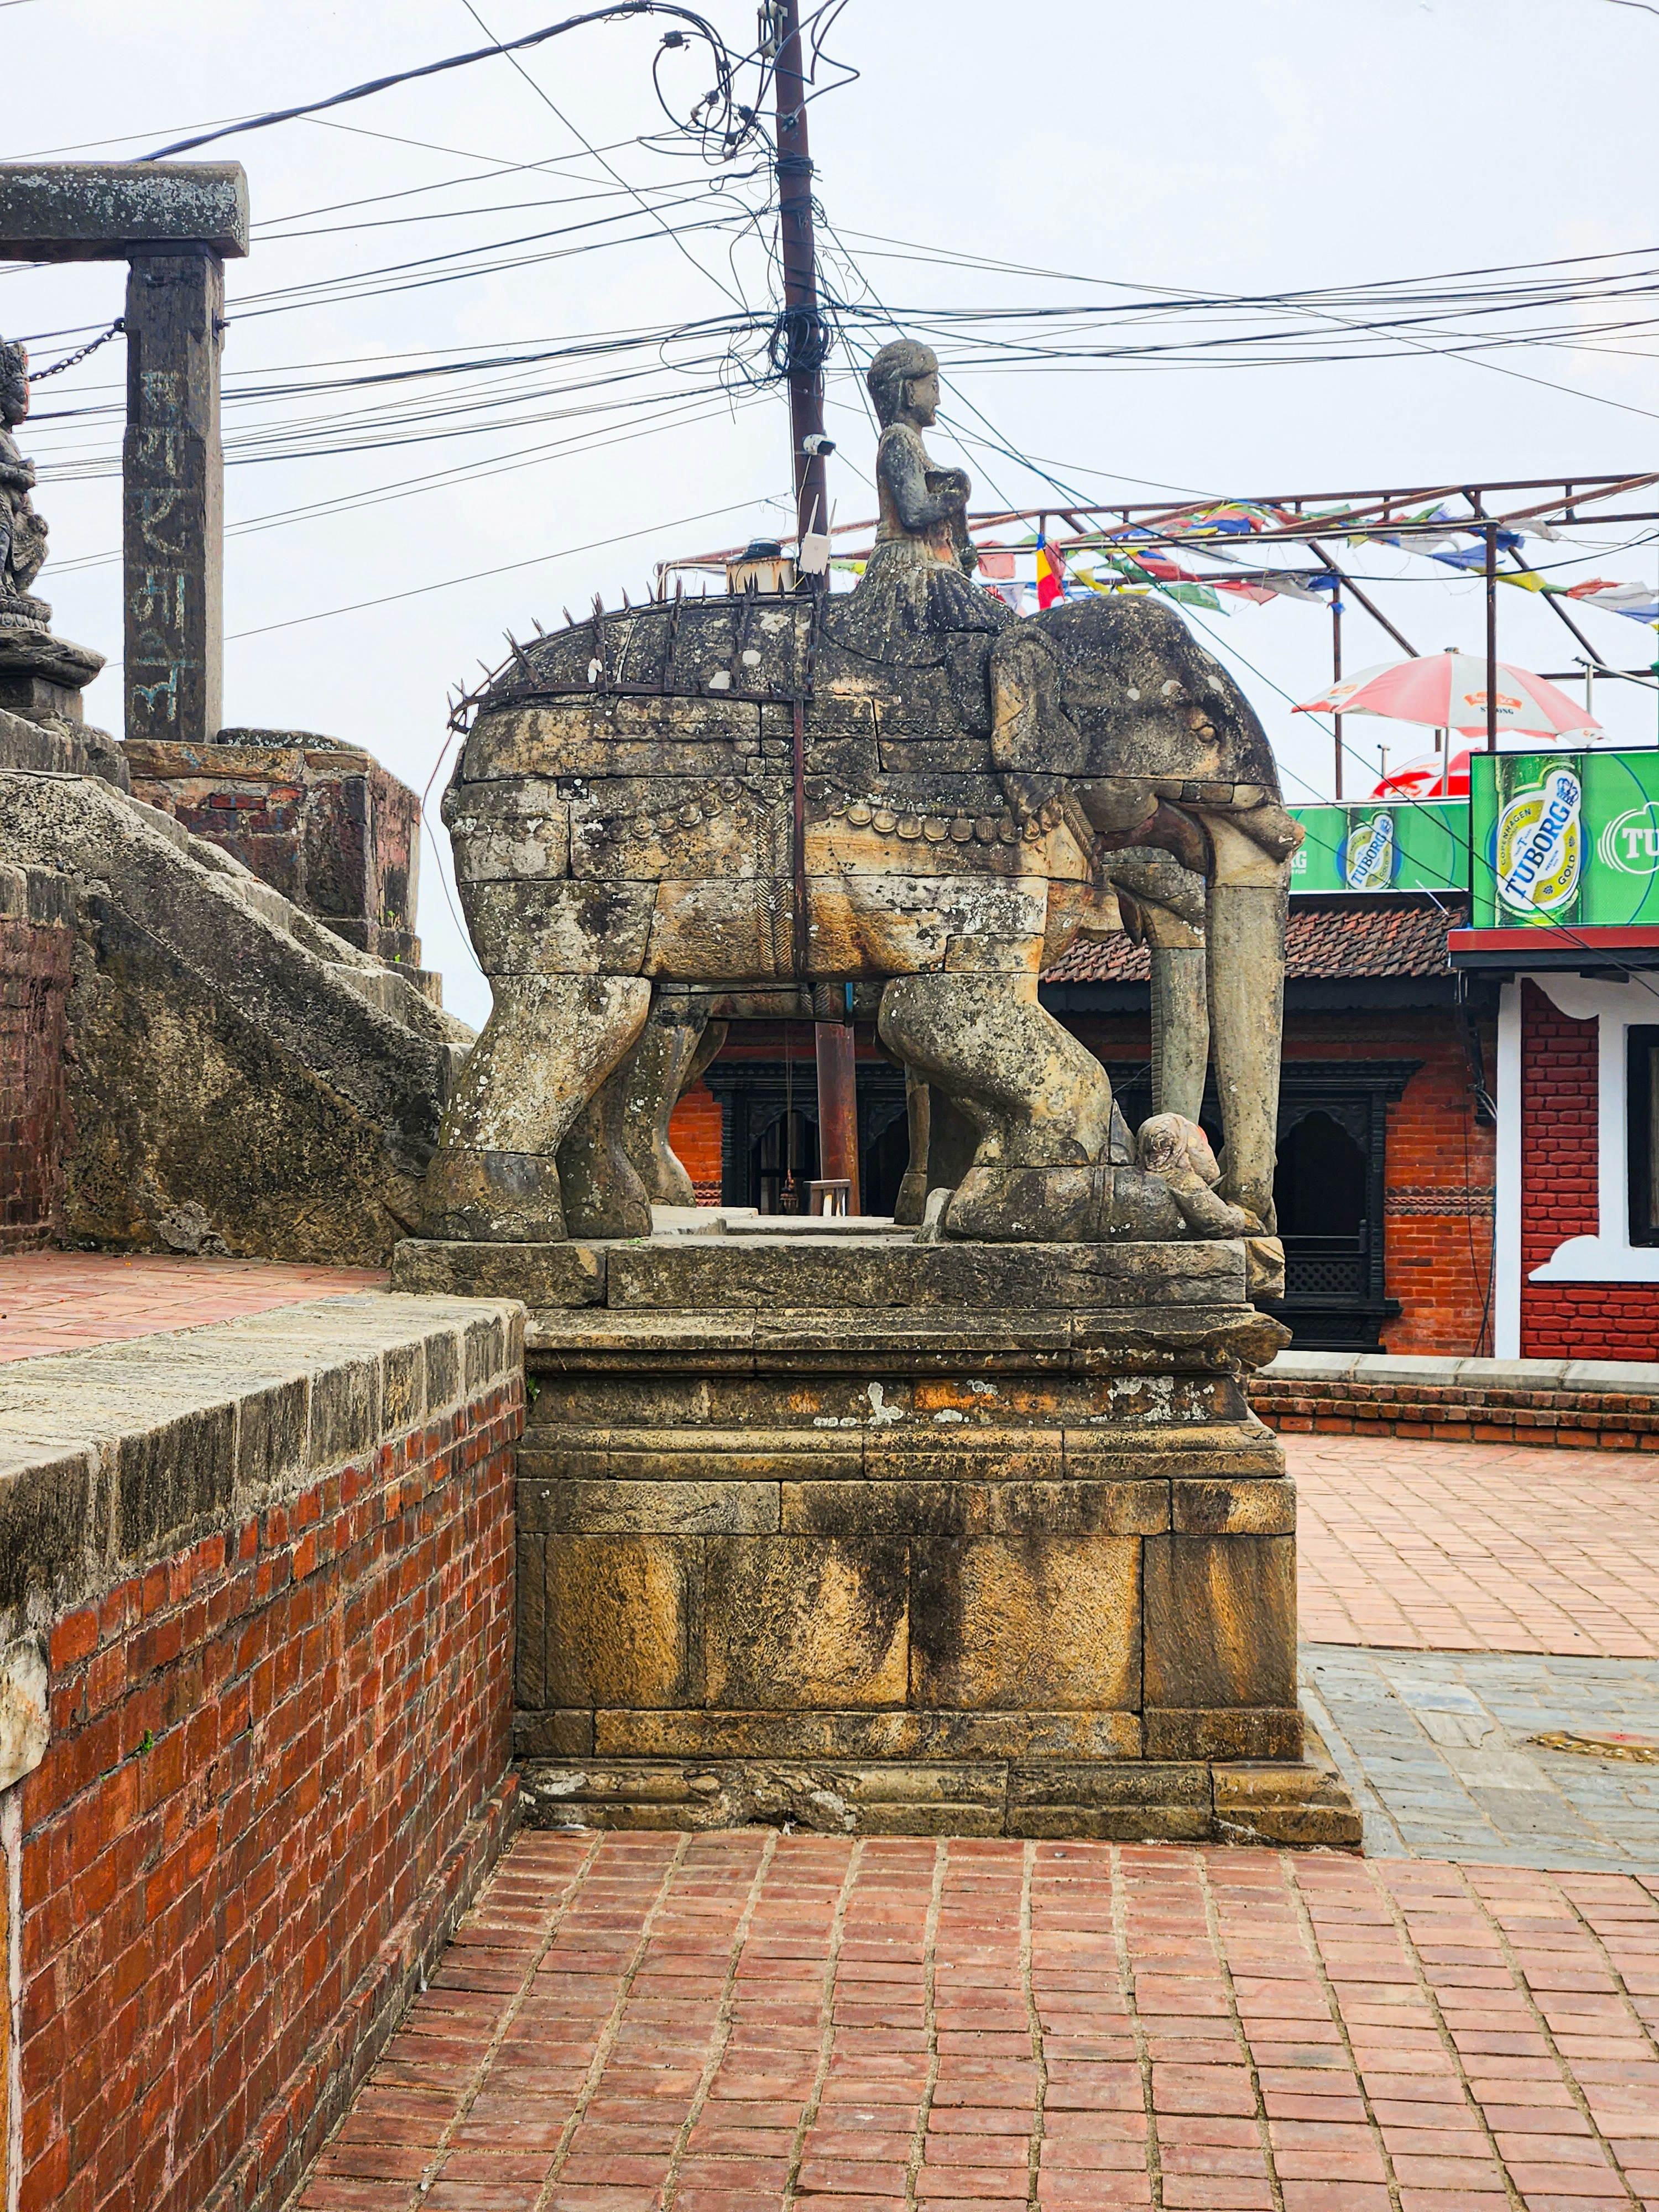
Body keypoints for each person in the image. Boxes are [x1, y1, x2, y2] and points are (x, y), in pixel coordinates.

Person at [847, 337, 1011, 639]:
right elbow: (914, 511)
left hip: (928, 560)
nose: (938, 399)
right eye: (933, 386)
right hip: (909, 563)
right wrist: (956, 495)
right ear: (910, 391)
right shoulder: (898, 440)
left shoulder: (912, 443)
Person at [0, 340, 48, 609]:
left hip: (16, 508)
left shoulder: (10, 441)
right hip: (2, 506)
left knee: (40, 546)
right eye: (20, 400)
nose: (25, 407)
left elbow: (24, 491)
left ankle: (17, 589)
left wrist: (32, 519)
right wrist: (15, 475)